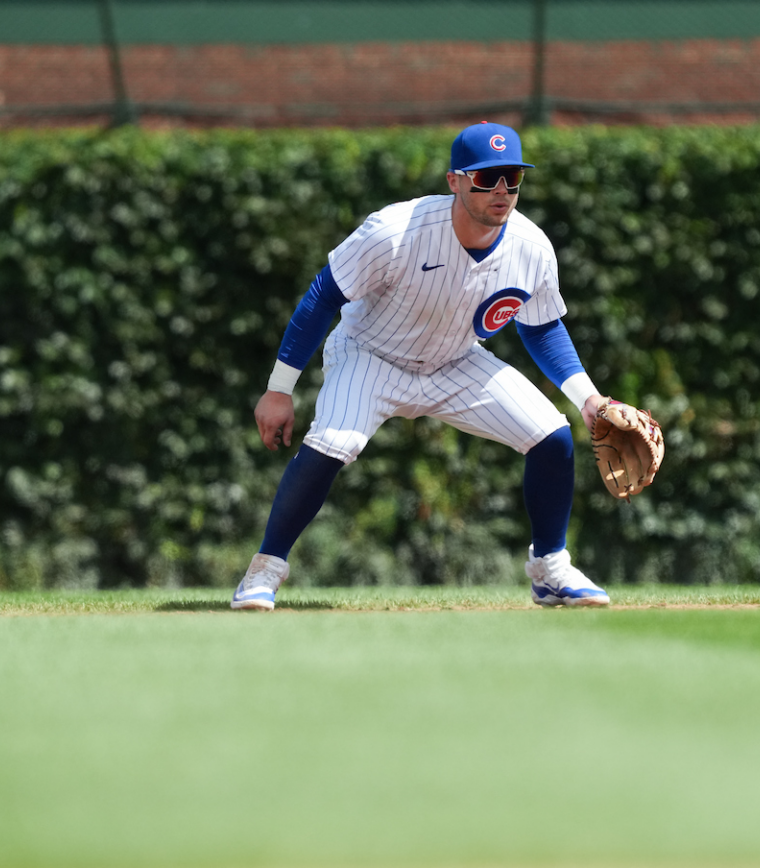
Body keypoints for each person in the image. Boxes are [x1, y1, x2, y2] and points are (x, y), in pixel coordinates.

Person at [233, 122, 611, 610]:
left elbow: (540, 327)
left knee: (552, 437)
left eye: (512, 177)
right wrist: (279, 388)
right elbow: (323, 296)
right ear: (454, 180)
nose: (501, 190)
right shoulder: (395, 231)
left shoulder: (531, 247)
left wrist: (589, 399)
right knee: (333, 444)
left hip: (454, 362)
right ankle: (263, 571)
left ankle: (551, 570)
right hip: (371, 354)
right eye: (485, 177)